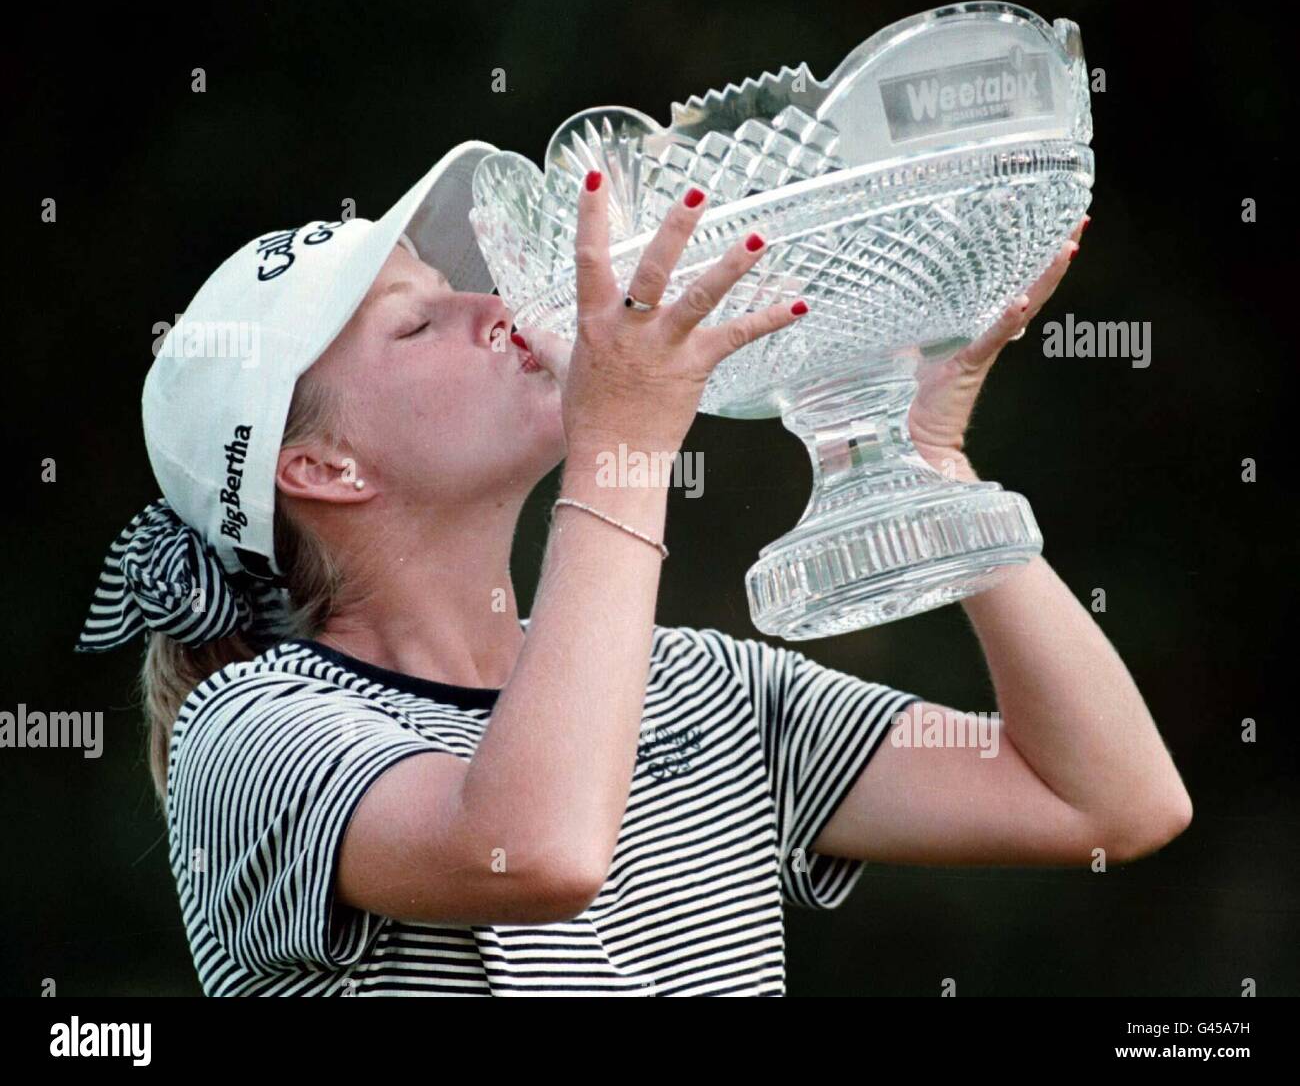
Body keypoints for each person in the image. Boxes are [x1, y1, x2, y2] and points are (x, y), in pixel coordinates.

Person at [76, 141, 1191, 996]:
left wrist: (926, 467)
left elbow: (1105, 803)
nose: (496, 309)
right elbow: (538, 849)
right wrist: (623, 442)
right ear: (321, 466)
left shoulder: (696, 687)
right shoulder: (253, 732)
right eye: (415, 326)